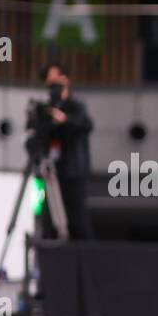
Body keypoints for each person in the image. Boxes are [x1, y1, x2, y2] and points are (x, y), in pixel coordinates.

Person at [37, 63, 95, 239]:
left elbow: (86, 125)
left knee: (77, 220)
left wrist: (65, 119)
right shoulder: (47, 109)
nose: (53, 87)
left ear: (65, 80)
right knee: (50, 222)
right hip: (52, 172)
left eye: (56, 82)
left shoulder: (77, 106)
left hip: (74, 171)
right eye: (50, 83)